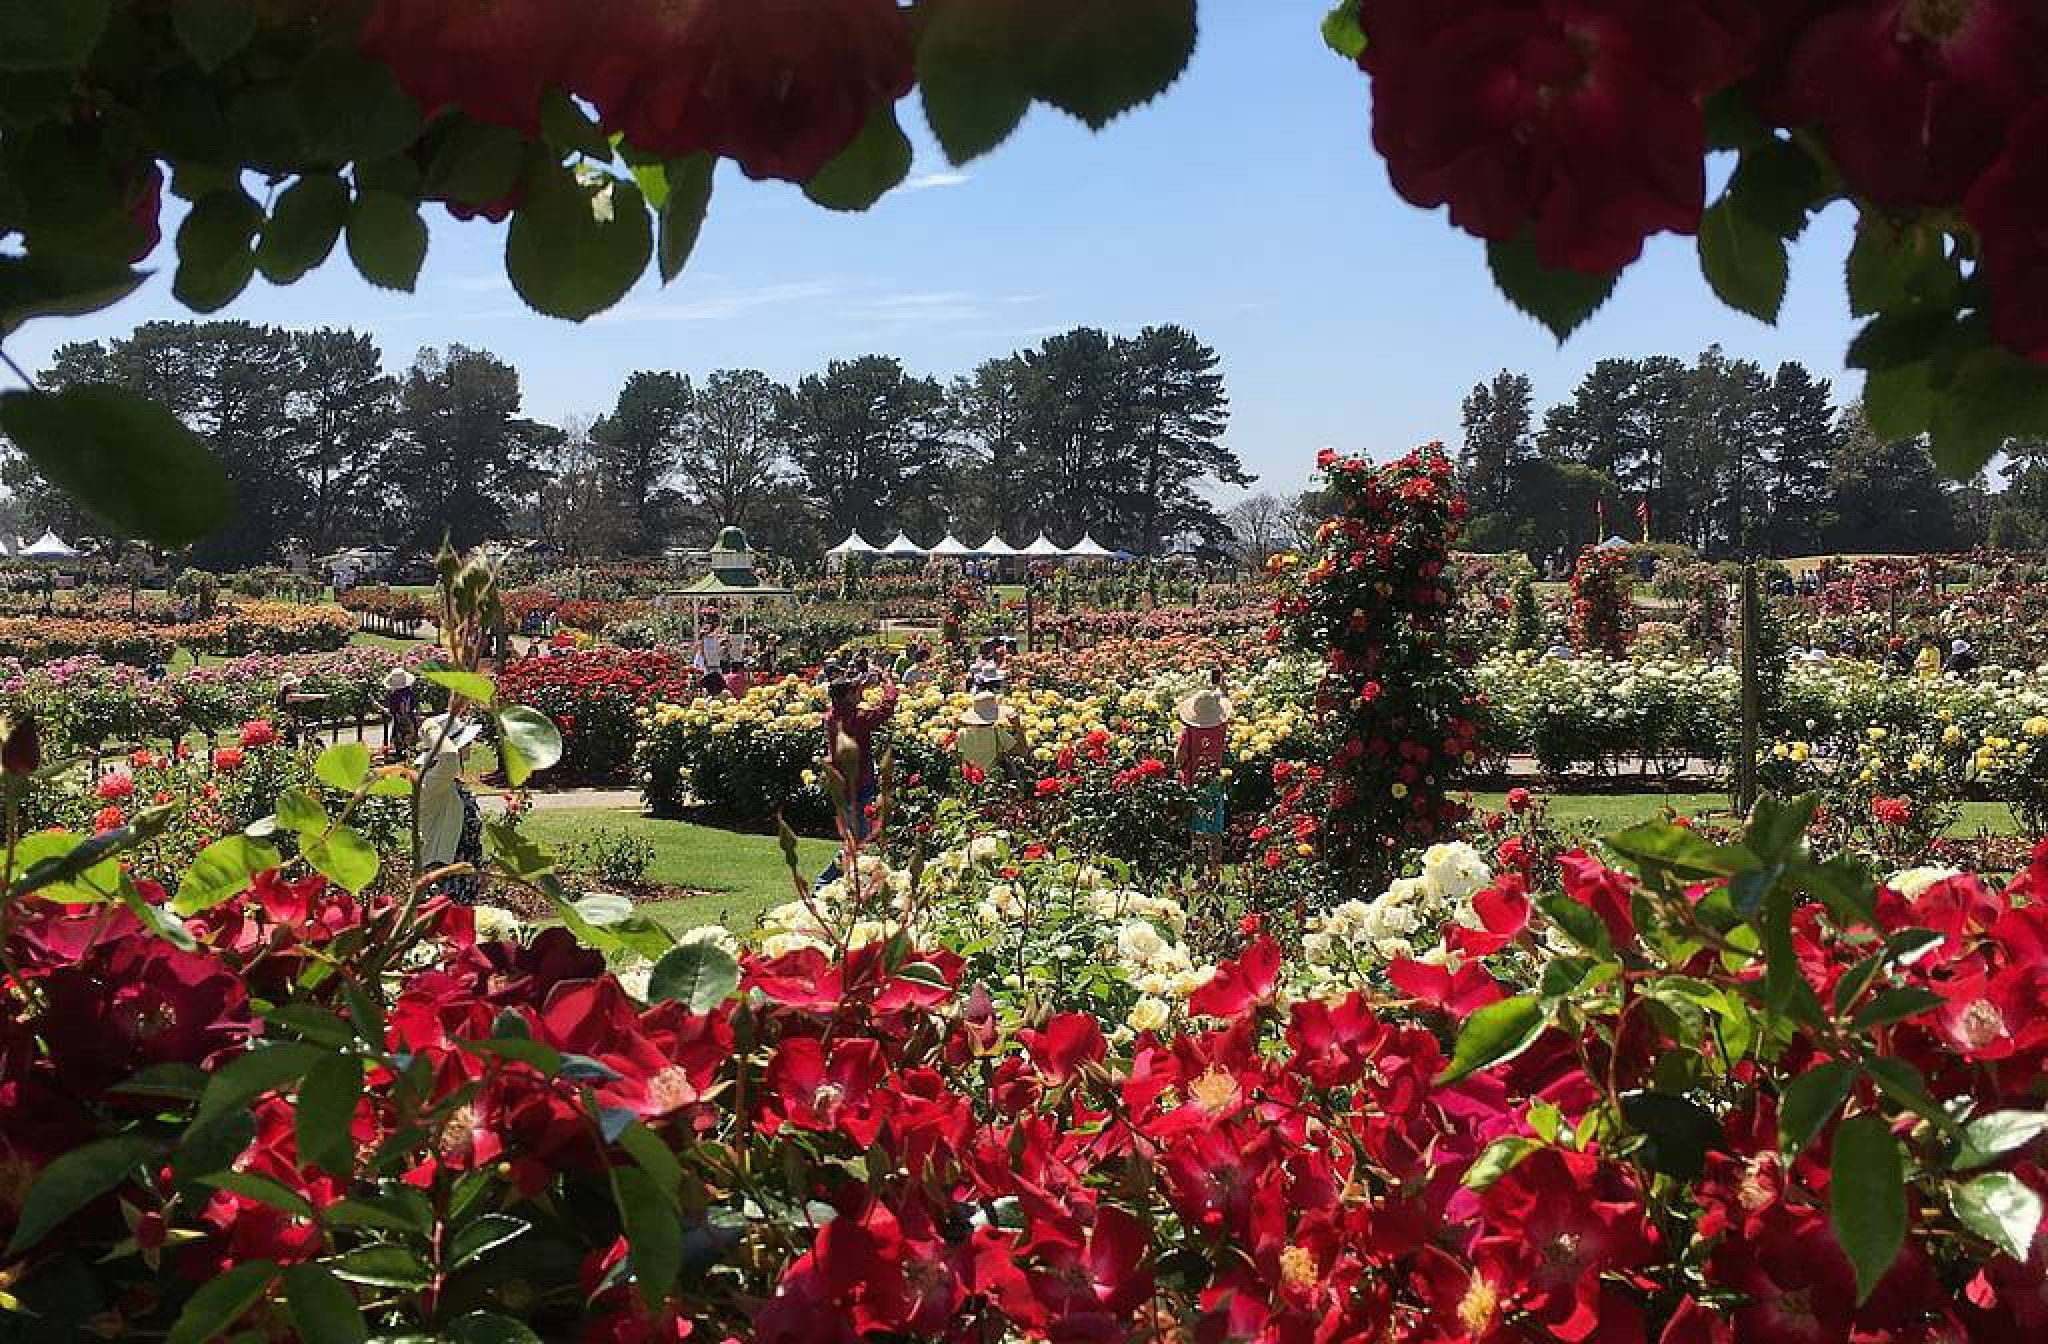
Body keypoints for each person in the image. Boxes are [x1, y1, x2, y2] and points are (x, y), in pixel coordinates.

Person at [816, 666, 900, 888]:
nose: (860, 694)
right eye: (855, 691)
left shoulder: (833, 716)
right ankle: (824, 883)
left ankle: (852, 883)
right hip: (859, 785)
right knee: (860, 839)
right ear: (847, 696)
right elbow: (885, 709)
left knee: (858, 837)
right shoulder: (855, 719)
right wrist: (889, 684)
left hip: (843, 785)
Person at [417, 713, 485, 906]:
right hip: (443, 876)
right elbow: (448, 757)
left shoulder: (449, 781)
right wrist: (429, 727)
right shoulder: (432, 780)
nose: (470, 744)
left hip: (461, 874)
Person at [1176, 672, 1233, 885]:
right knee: (1215, 830)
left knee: (1198, 831)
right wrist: (1220, 684)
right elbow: (1224, 696)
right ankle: (1215, 872)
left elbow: (1179, 758)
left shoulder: (1189, 731)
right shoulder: (1220, 727)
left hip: (1194, 784)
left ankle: (1199, 875)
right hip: (1215, 783)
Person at [955, 687, 1021, 774]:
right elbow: (1021, 751)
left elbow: (953, 754)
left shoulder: (961, 733)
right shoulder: (998, 733)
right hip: (990, 781)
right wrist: (1018, 727)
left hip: (967, 779)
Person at [383, 665, 420, 759]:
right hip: (411, 719)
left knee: (399, 739)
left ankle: (401, 755)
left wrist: (380, 708)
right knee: (412, 740)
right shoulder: (410, 692)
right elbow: (414, 706)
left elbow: (392, 711)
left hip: (399, 721)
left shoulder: (394, 696)